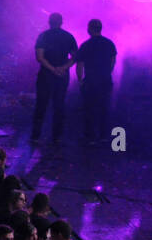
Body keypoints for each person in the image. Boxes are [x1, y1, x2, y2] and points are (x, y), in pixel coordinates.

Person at [32, 12, 78, 144]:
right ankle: (57, 137)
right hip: (62, 76)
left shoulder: (43, 36)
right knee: (59, 105)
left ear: (49, 22)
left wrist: (52, 69)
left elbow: (39, 57)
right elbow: (75, 57)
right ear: (61, 22)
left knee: (41, 104)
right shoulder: (68, 37)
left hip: (45, 75)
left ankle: (35, 136)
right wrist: (63, 68)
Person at [75, 19, 117, 147]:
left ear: (90, 29)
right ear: (100, 28)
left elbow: (80, 64)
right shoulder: (109, 44)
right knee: (104, 107)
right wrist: (107, 72)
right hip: (105, 80)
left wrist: (80, 80)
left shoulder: (85, 45)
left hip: (90, 81)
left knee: (89, 108)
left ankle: (90, 136)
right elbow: (113, 61)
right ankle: (103, 135)